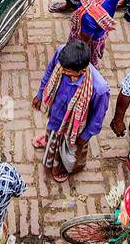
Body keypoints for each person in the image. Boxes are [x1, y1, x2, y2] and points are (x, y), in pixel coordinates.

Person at [33, 40, 110, 181]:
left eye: (66, 71)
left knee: (69, 150)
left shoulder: (99, 89)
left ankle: (62, 167)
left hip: (75, 128)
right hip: (56, 112)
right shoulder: (62, 54)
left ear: (81, 71)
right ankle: (49, 141)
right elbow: (50, 71)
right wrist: (40, 94)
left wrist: (85, 136)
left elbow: (98, 118)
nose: (61, 70)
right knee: (52, 131)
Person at [64, 0, 121, 65]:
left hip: (93, 36)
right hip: (102, 30)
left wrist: (79, 50)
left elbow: (84, 40)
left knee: (88, 52)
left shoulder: (88, 16)